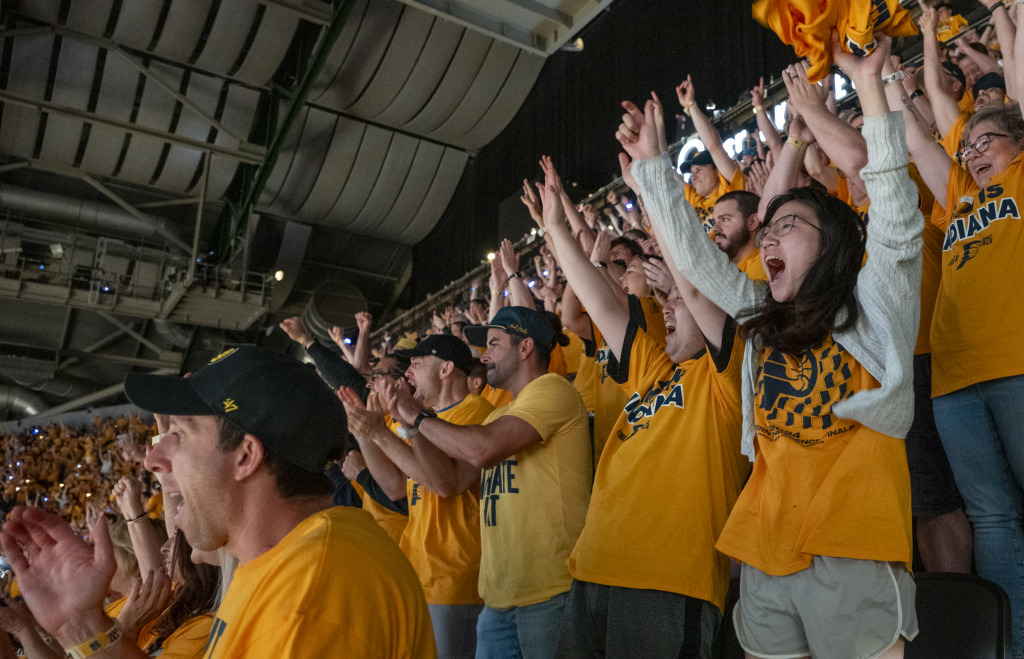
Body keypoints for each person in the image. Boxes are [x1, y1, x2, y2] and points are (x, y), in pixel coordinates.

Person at [618, 34, 919, 658]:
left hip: (853, 540)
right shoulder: (758, 313)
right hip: (763, 545)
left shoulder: (876, 301)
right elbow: (697, 260)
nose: (770, 239)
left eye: (789, 225)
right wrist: (653, 167)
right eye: (769, 227)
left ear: (831, 244)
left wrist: (867, 87)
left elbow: (892, 201)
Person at [0, 346, 436, 658]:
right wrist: (84, 627)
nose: (152, 458)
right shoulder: (283, 563)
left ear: (246, 456)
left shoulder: (312, 596)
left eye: (181, 434)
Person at [536, 157, 749, 657]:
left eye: (676, 299)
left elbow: (696, 286)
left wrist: (652, 188)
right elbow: (600, 304)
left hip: (670, 583)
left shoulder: (731, 375)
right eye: (664, 300)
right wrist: (553, 229)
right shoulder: (653, 370)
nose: (667, 307)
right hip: (593, 570)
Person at [379, 306, 591, 659]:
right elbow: (450, 481)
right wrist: (406, 425)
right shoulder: (497, 414)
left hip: (550, 591)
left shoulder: (554, 390)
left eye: (494, 343)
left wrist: (416, 416)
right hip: (498, 596)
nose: (484, 354)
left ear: (525, 349)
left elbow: (482, 449)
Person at [341, 334, 494, 659]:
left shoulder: (476, 412)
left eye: (417, 363)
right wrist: (363, 432)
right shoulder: (419, 421)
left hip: (454, 574)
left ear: (446, 369)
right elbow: (395, 486)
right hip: (417, 570)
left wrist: (386, 430)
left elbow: (444, 484)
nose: (407, 373)